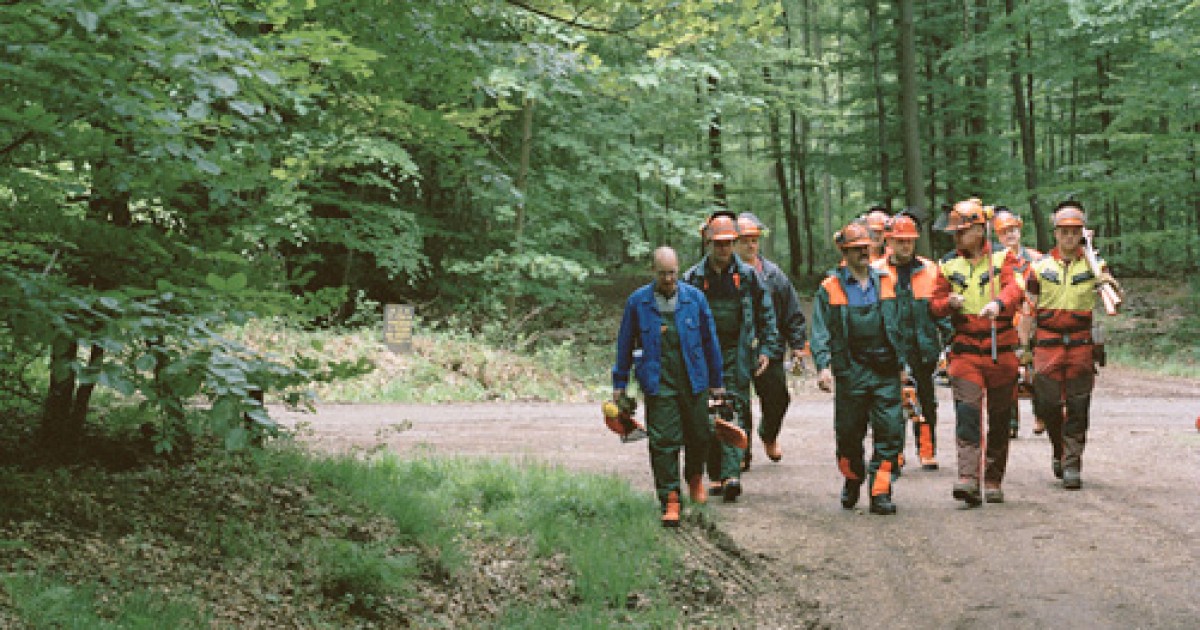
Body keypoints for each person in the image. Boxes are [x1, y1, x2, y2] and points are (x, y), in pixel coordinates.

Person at [612, 246, 726, 527]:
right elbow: (625, 344)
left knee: (700, 435)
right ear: (654, 271)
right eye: (662, 273)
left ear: (679, 270)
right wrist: (620, 383)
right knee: (663, 442)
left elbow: (711, 342)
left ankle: (695, 477)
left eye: (673, 273)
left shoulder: (695, 299)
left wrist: (717, 382)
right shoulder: (638, 302)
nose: (668, 279)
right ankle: (670, 498)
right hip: (658, 380)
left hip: (693, 379)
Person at [931, 198, 1026, 506]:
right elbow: (934, 303)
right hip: (966, 351)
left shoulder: (1003, 258)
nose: (956, 237)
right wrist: (949, 305)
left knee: (999, 418)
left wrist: (999, 304)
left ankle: (993, 479)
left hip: (1001, 348)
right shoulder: (947, 264)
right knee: (968, 414)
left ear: (979, 228)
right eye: (954, 232)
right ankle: (968, 479)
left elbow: (1016, 288)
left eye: (962, 231)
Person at [683, 211, 780, 502]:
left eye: (728, 243)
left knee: (734, 406)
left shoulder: (749, 277)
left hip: (737, 351)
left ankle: (732, 474)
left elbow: (767, 315)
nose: (723, 249)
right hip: (703, 354)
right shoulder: (693, 278)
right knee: (707, 411)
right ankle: (715, 473)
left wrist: (767, 349)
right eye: (718, 244)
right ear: (708, 243)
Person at [811, 222, 906, 515]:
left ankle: (880, 491)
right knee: (849, 434)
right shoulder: (830, 288)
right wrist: (823, 366)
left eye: (866, 247)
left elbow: (901, 324)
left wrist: (904, 363)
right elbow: (819, 330)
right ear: (845, 252)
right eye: (857, 249)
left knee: (891, 431)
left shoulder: (888, 280)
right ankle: (853, 478)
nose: (864, 253)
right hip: (850, 370)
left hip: (885, 369)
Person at [1025, 201, 1121, 490]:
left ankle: (1072, 464)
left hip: (1080, 344)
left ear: (1082, 234)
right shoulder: (1039, 267)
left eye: (1074, 231)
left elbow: (1117, 299)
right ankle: (1059, 450)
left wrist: (1107, 282)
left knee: (1079, 406)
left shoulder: (1094, 265)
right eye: (1064, 231)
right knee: (1049, 405)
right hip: (1047, 344)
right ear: (1055, 233)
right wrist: (1023, 349)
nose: (1069, 237)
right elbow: (1028, 308)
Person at [871, 213, 944, 470]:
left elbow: (940, 310)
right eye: (900, 240)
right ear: (889, 241)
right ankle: (895, 452)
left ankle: (927, 450)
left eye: (909, 241)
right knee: (891, 404)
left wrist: (949, 342)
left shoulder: (931, 270)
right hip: (889, 351)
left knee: (926, 401)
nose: (905, 246)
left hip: (923, 348)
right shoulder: (876, 273)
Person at [734, 212, 807, 466]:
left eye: (754, 240)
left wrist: (798, 345)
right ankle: (741, 451)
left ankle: (769, 433)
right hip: (736, 349)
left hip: (770, 346)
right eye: (744, 240)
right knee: (736, 402)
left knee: (778, 398)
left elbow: (791, 311)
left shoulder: (773, 274)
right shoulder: (725, 275)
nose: (750, 245)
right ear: (734, 242)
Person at [993, 208, 1043, 436]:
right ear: (998, 236)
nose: (1010, 235)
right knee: (1009, 372)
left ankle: (1041, 415)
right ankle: (1011, 422)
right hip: (1007, 319)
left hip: (1033, 318)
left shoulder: (1036, 258)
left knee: (1037, 370)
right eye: (1004, 232)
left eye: (1013, 230)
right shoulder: (996, 262)